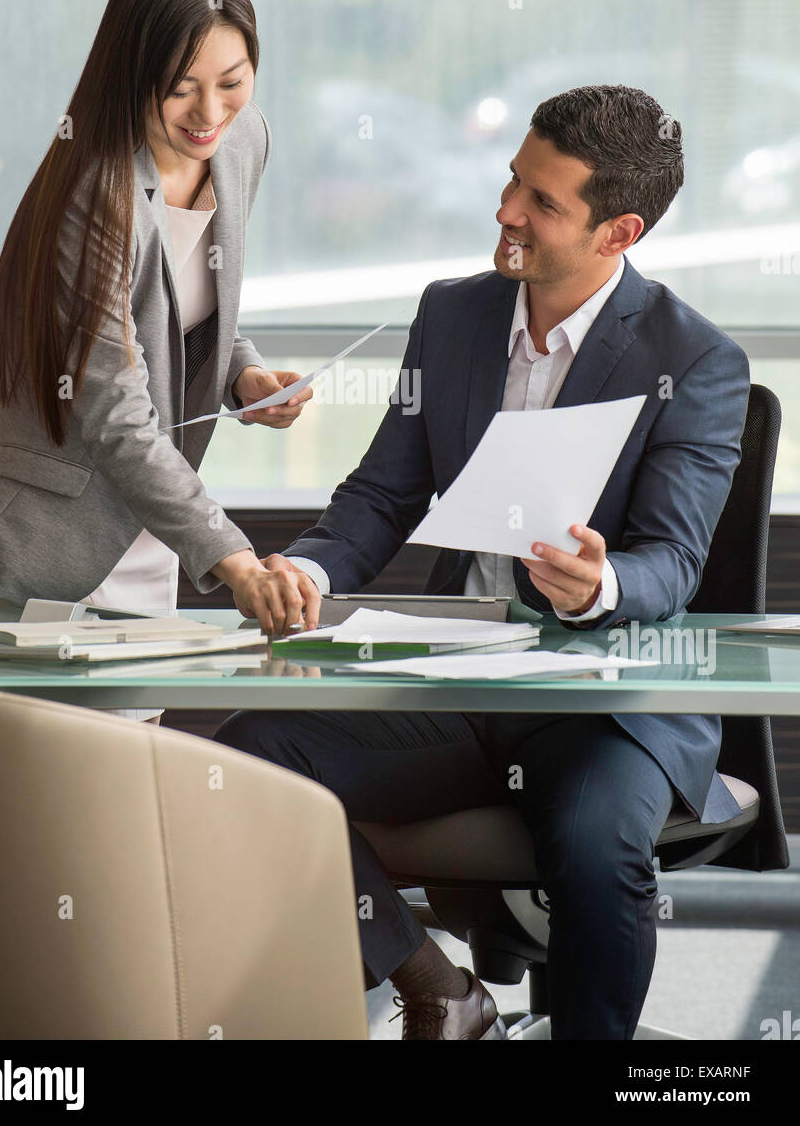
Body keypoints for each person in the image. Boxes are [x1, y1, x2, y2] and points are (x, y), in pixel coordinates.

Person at [216, 85, 751, 1039]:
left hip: (605, 707)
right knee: (250, 758)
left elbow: (672, 562)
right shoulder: (453, 316)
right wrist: (311, 571)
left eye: (542, 203)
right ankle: (439, 989)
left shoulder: (694, 358)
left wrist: (602, 585)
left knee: (592, 846)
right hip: (459, 683)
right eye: (512, 182)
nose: (506, 211)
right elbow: (382, 496)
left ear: (616, 231)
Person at [0, 0, 321, 722]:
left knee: (130, 752)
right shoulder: (96, 192)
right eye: (180, 90)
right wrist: (233, 559)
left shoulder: (242, 146)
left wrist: (241, 371)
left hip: (148, 508)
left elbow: (182, 300)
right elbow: (112, 409)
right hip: (49, 524)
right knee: (62, 771)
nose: (210, 114)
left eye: (232, 83)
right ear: (130, 75)